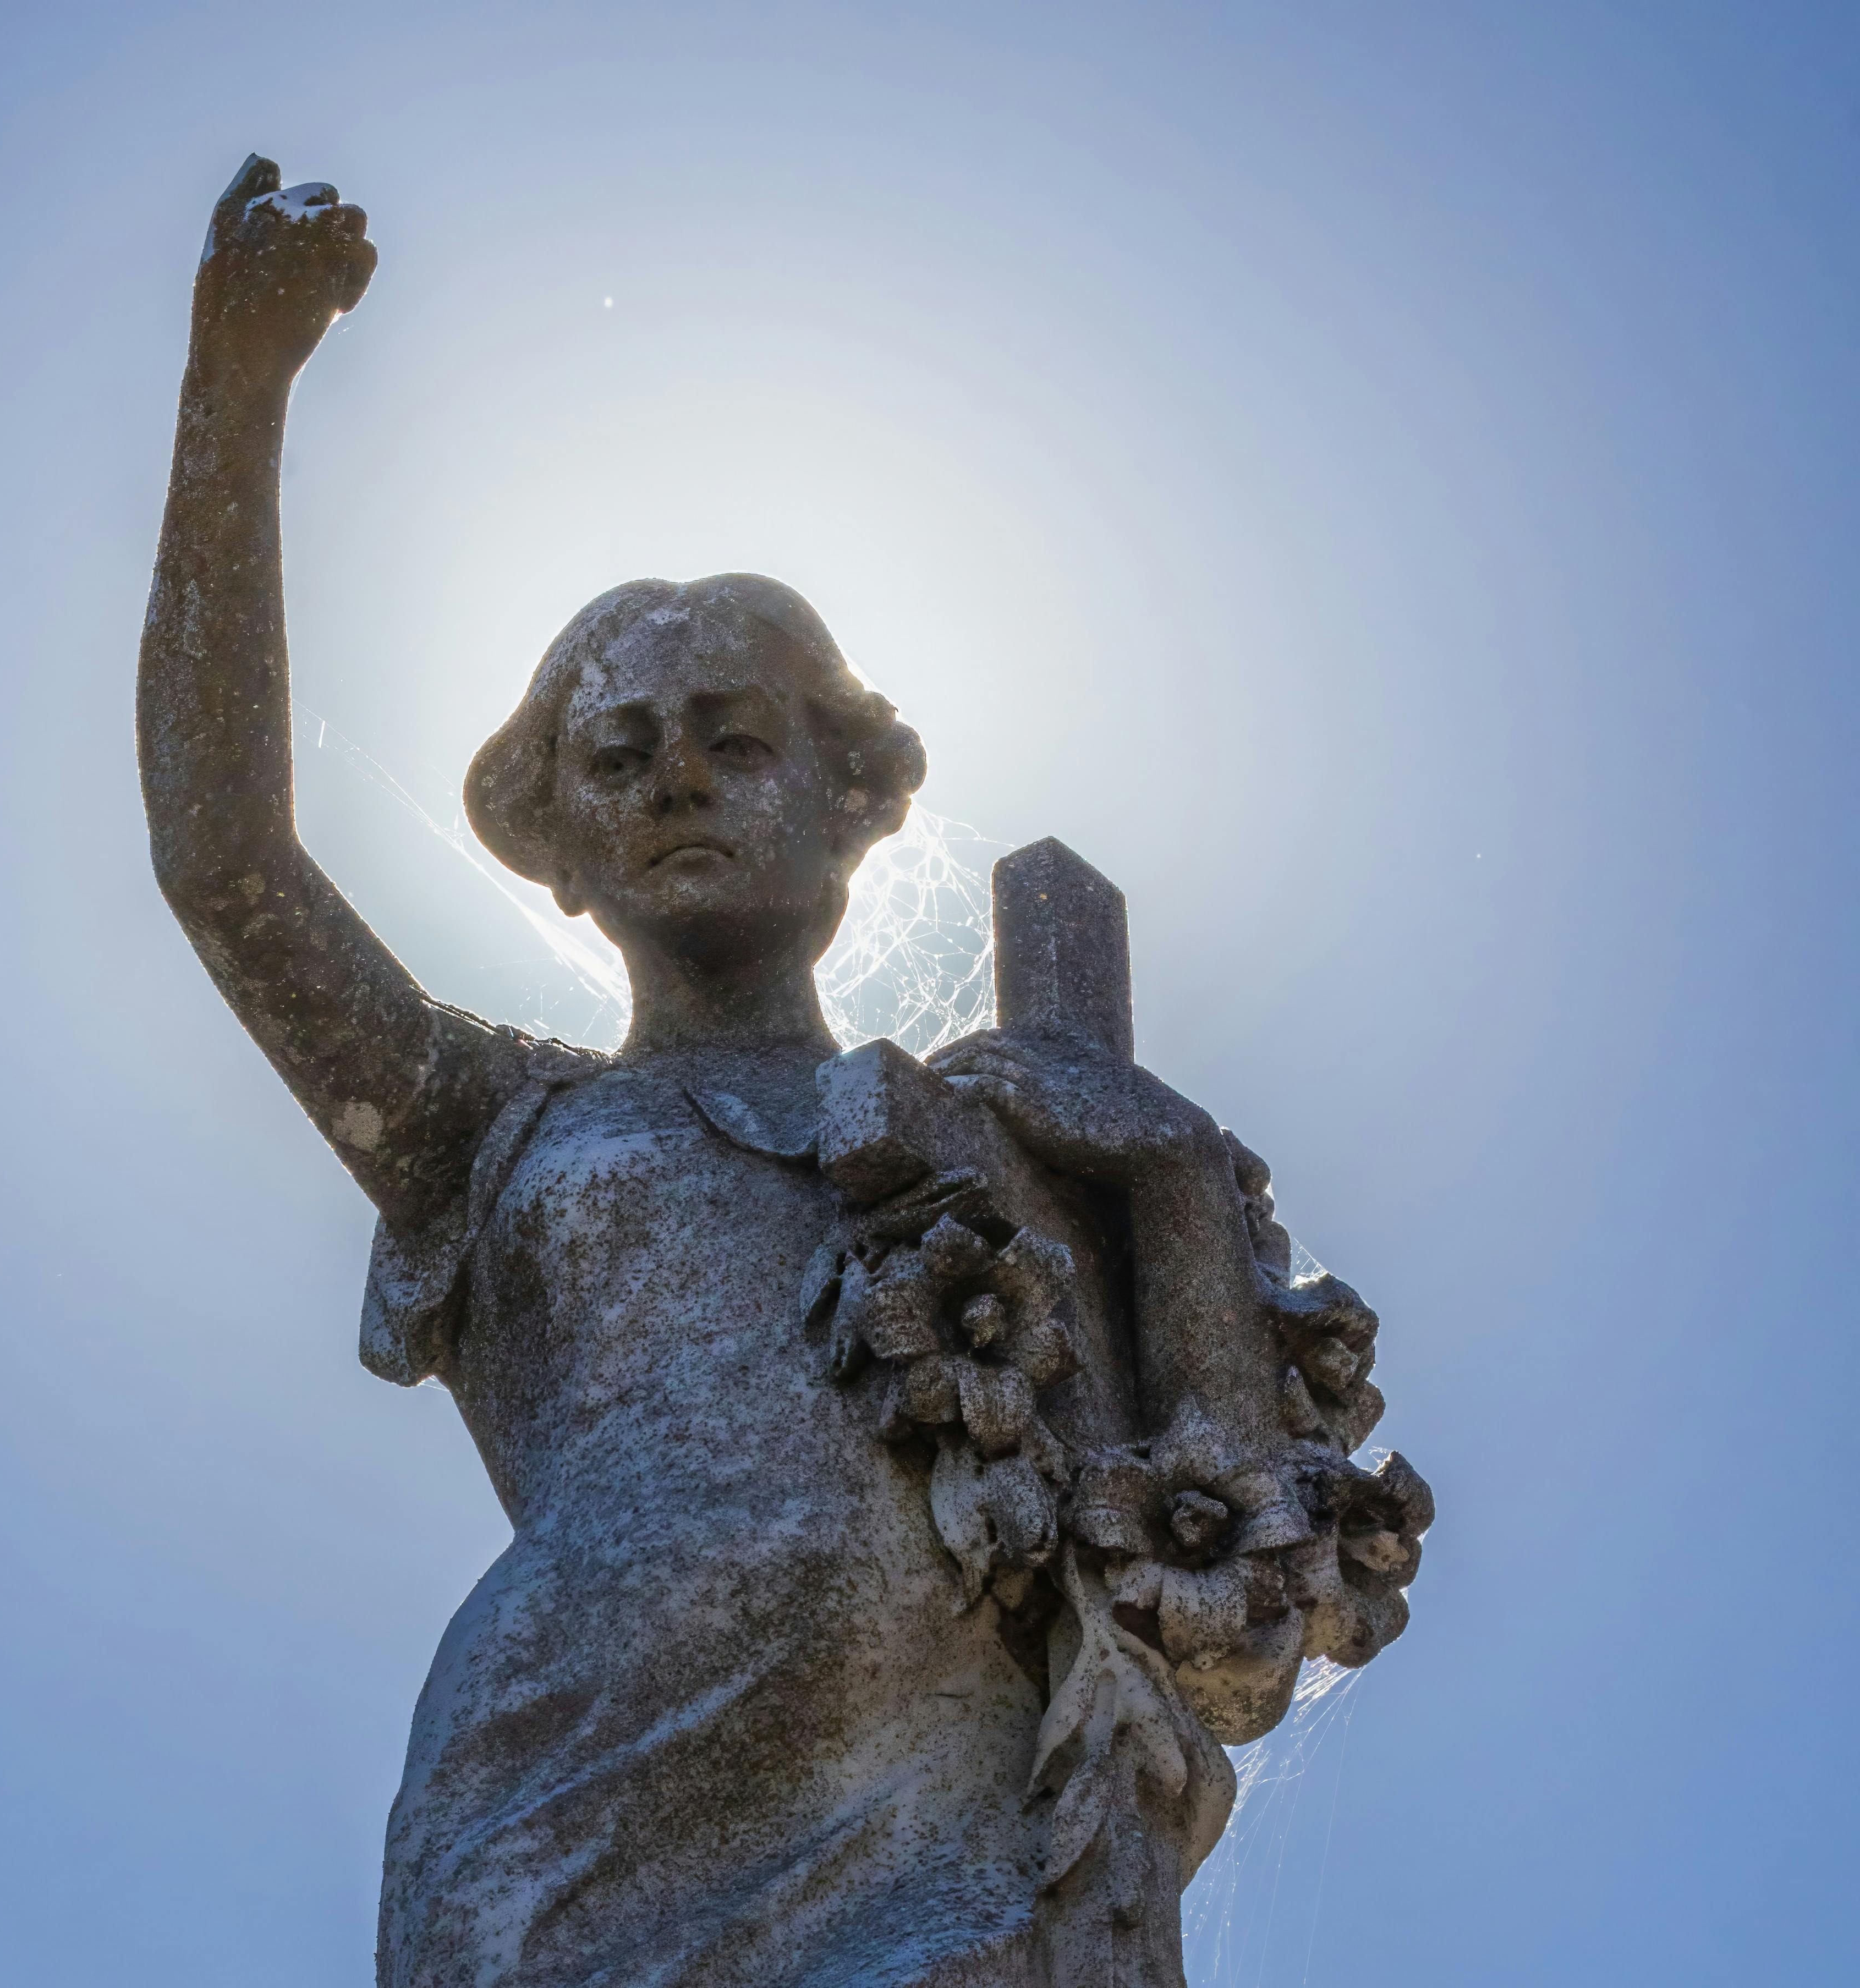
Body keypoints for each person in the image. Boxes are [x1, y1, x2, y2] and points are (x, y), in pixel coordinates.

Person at [140, 157, 1419, 1988]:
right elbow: (225, 866)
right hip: (562, 1821)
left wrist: (1161, 1176)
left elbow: (1223, 1626)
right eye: (620, 755)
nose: (675, 778)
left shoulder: (1005, 1141)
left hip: (944, 1840)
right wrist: (236, 389)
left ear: (855, 801)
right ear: (559, 848)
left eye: (734, 741)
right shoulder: (494, 1130)